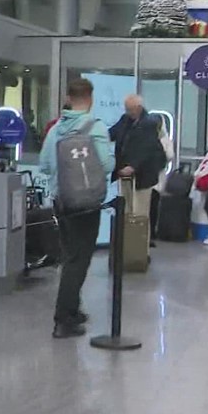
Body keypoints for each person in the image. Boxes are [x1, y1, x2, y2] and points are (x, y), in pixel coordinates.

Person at [40, 78, 114, 339]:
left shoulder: (56, 129)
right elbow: (106, 165)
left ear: (69, 99)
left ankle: (72, 308)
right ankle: (63, 318)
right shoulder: (95, 127)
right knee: (79, 260)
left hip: (62, 201)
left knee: (69, 256)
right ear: (90, 99)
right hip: (86, 203)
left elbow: (44, 165)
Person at [109, 95, 168, 231]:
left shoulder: (149, 124)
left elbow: (146, 149)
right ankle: (126, 240)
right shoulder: (125, 120)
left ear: (139, 108)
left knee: (140, 213)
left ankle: (139, 241)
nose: (128, 112)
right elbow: (112, 133)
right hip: (125, 174)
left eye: (131, 109)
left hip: (143, 176)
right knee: (126, 210)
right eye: (127, 109)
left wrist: (133, 166)